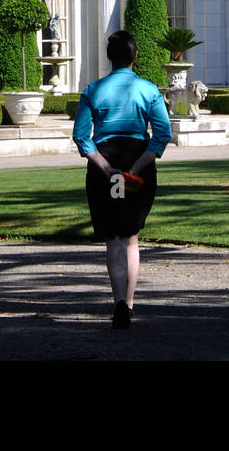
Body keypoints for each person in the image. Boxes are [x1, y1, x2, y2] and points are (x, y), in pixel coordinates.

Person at [72, 30, 173, 329]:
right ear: (135, 55)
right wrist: (138, 167)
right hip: (137, 160)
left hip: (106, 161)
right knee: (131, 236)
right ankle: (128, 303)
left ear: (109, 57)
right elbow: (162, 133)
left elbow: (81, 136)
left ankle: (117, 300)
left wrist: (106, 169)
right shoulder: (148, 89)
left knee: (112, 237)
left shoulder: (93, 90)